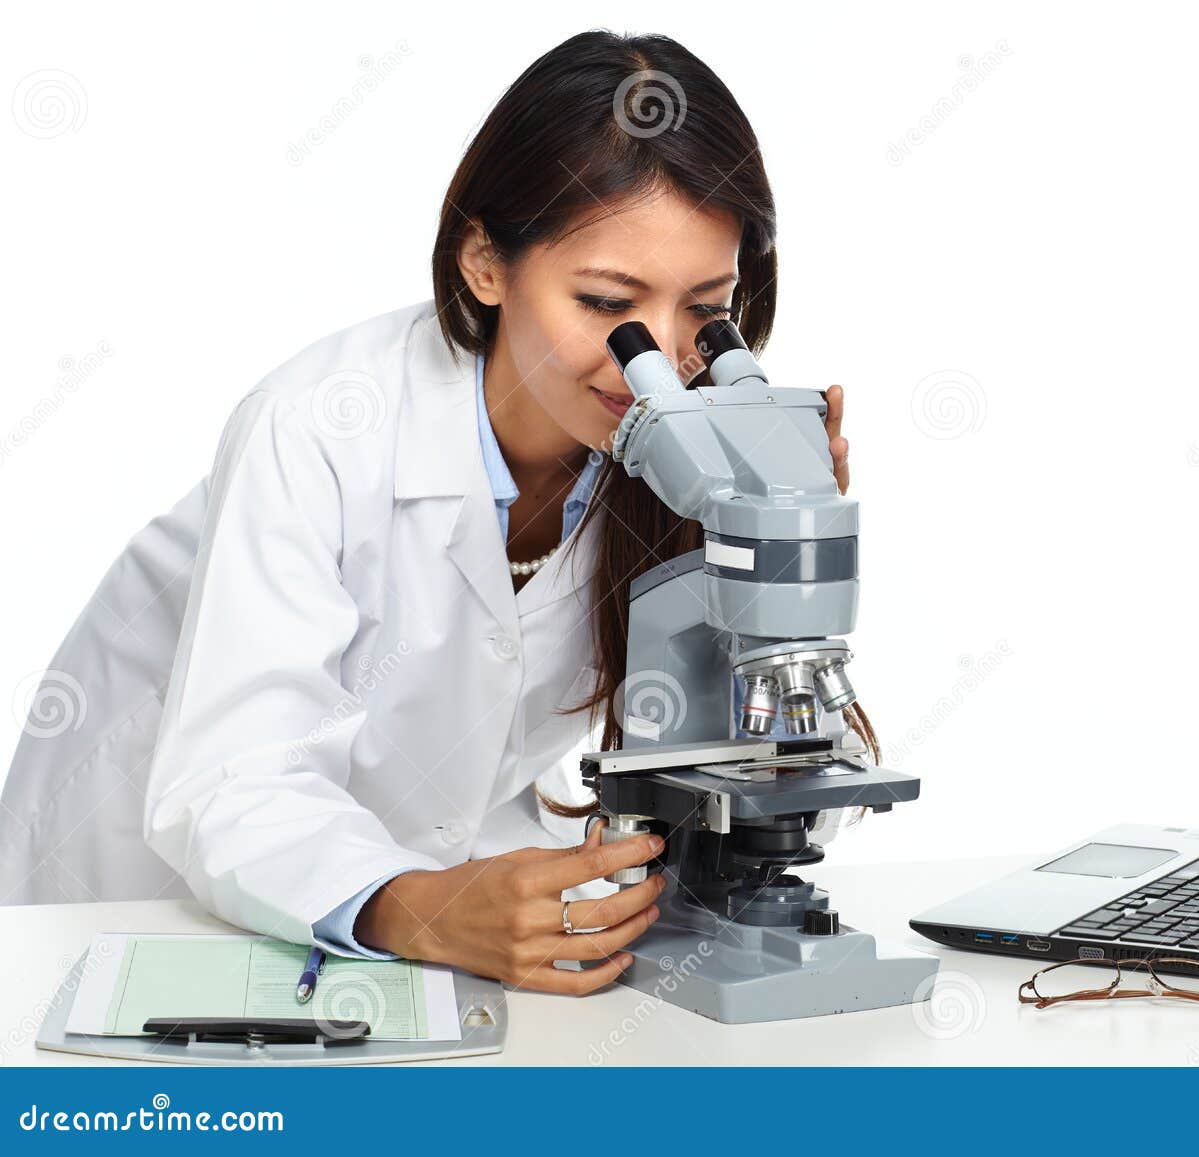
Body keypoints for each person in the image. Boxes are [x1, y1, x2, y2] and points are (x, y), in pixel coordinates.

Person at [0, 30, 864, 996]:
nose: (652, 360)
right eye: (608, 303)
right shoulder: (318, 430)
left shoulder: (670, 457)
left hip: (396, 893)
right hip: (141, 891)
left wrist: (762, 529)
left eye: (703, 312)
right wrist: (430, 907)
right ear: (485, 265)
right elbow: (232, 786)